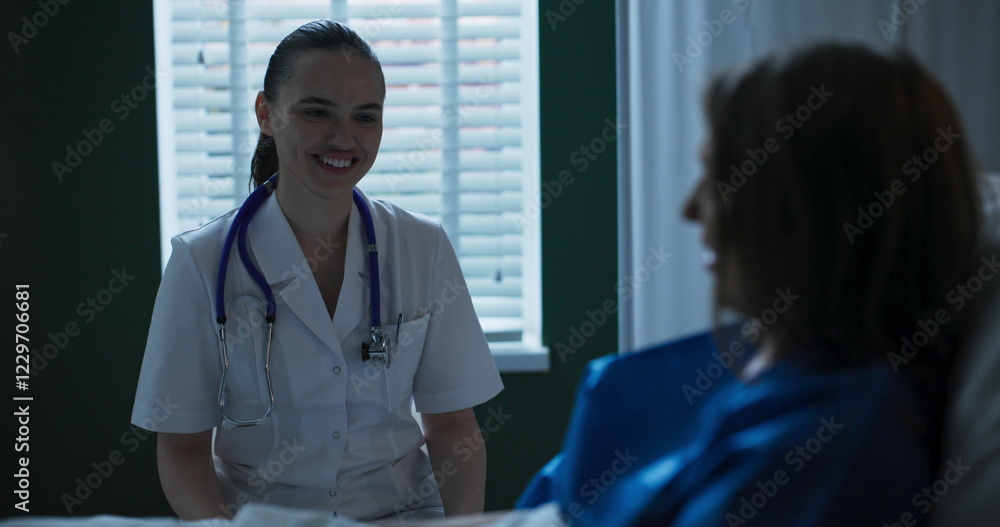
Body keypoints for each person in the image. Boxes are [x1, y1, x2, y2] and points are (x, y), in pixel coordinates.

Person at [516, 42, 988, 526]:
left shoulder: (828, 445)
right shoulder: (747, 364)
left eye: (722, 178)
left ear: (811, 213)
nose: (691, 209)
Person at [131, 20, 504, 522]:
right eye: (316, 111)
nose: (343, 137)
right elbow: (182, 446)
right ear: (267, 114)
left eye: (365, 117)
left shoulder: (423, 246)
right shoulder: (201, 262)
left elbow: (454, 423)